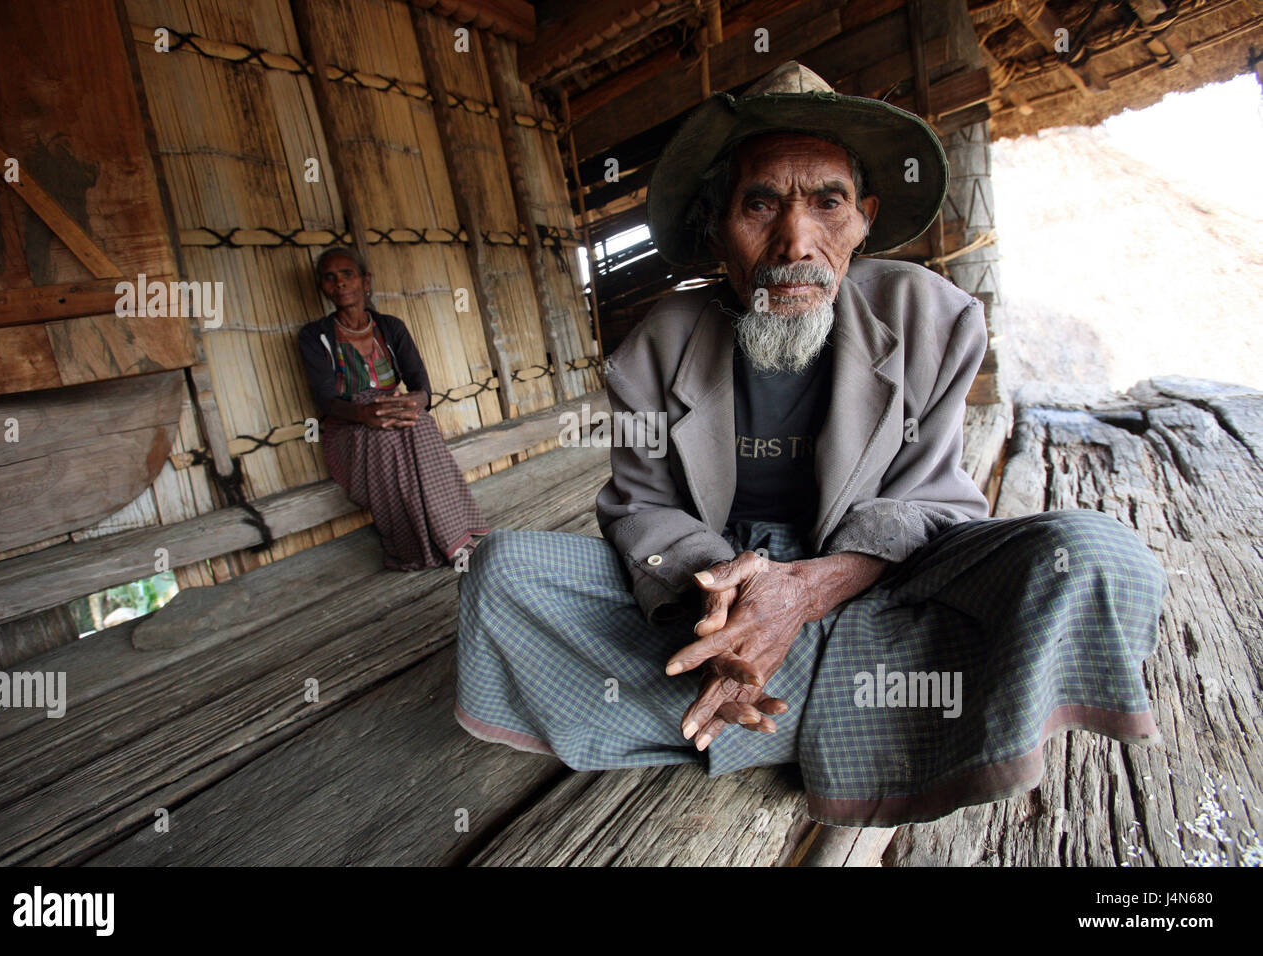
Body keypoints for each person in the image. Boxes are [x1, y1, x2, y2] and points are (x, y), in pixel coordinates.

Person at [454, 62, 1168, 826]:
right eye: (760, 205)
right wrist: (729, 606)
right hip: (717, 583)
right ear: (719, 229)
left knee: (1098, 560)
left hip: (881, 578)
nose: (796, 240)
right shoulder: (655, 347)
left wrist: (803, 595)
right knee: (501, 575)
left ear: (862, 219)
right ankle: (868, 712)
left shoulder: (934, 317)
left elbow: (926, 500)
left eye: (828, 204)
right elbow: (643, 506)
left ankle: (742, 705)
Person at [298, 247, 488, 571]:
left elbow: (422, 388)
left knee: (423, 426)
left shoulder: (391, 327)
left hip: (396, 409)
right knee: (386, 441)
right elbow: (326, 400)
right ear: (322, 287)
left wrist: (413, 403)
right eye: (330, 278)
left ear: (365, 280)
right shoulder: (314, 337)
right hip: (349, 426)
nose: (340, 284)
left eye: (347, 274)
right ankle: (418, 545)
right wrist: (365, 415)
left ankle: (452, 535)